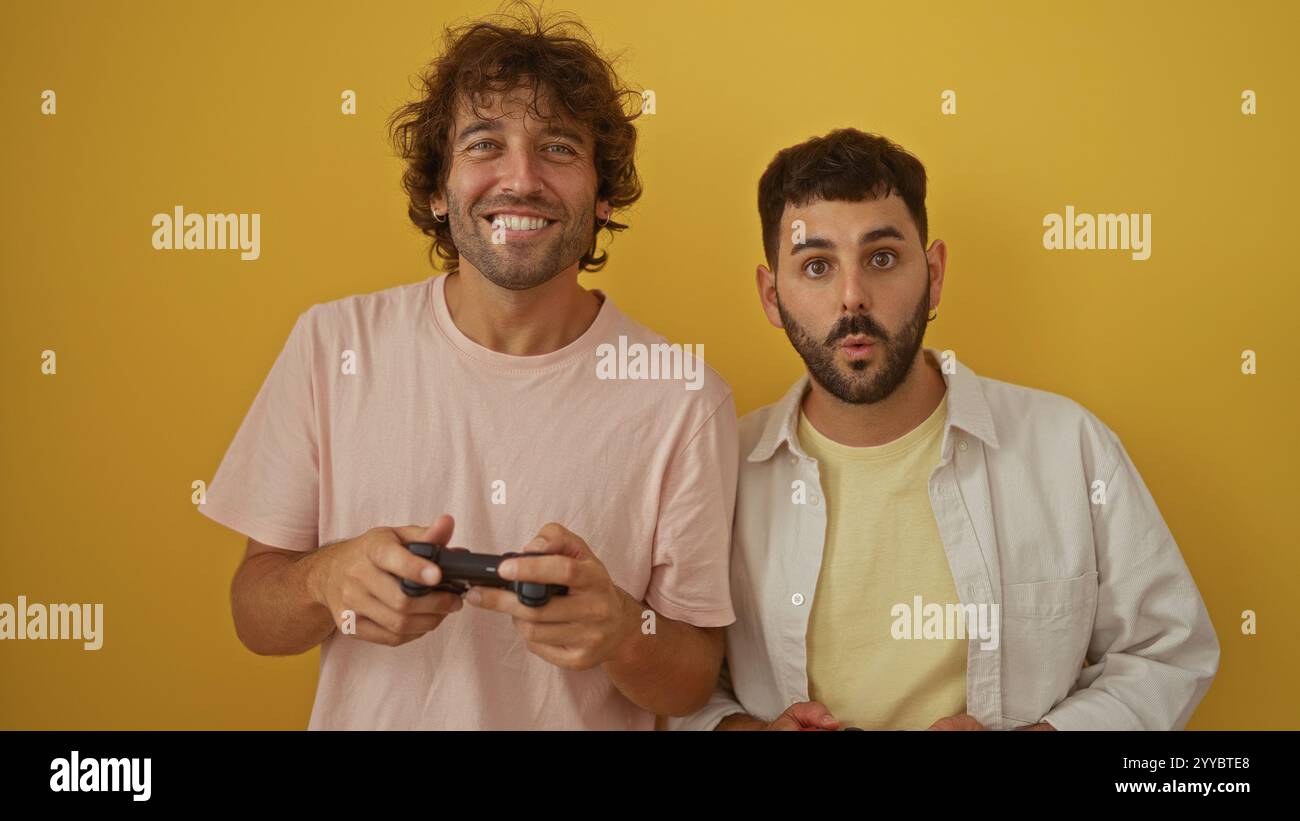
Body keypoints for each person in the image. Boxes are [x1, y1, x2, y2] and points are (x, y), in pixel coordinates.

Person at [199, 6, 737, 730]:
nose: (521, 178)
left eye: (558, 148)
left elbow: (692, 679)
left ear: (603, 198)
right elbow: (252, 615)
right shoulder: (331, 344)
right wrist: (326, 579)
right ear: (435, 189)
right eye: (485, 144)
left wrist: (619, 629)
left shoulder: (685, 399)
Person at [670, 127, 1218, 731]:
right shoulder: (722, 466)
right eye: (817, 265)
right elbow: (681, 685)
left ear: (932, 272)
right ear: (772, 297)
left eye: (882, 258)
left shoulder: (1069, 447)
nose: (853, 297)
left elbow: (1169, 653)